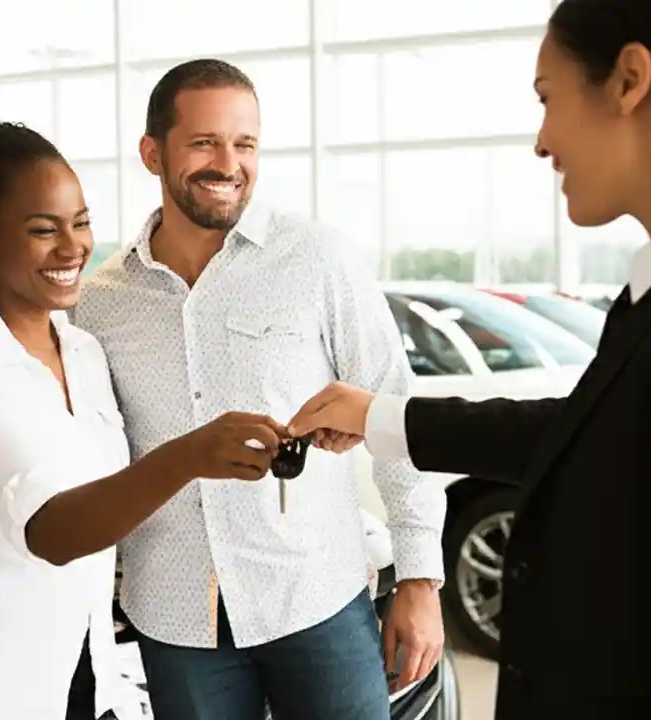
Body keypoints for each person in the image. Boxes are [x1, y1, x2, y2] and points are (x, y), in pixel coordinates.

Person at [287, 1, 651, 716]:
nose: (541, 142)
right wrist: (379, 416)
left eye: (548, 99)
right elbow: (579, 435)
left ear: (629, 80)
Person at [0, 105, 291, 720]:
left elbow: (110, 501)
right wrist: (194, 453)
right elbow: (53, 531)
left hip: (80, 677)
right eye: (43, 229)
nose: (72, 247)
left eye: (81, 222)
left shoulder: (85, 351)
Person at [71, 59, 447, 720]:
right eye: (204, 142)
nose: (229, 163)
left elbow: (395, 415)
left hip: (317, 602)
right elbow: (87, 462)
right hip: (176, 619)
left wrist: (420, 577)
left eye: (245, 144)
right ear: (151, 152)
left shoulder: (318, 258)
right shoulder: (100, 304)